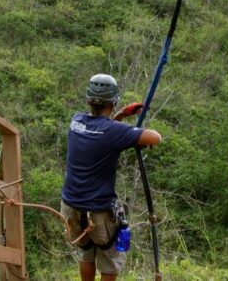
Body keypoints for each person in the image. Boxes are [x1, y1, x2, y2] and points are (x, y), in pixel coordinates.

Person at [61, 74, 162, 281]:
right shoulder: (113, 132)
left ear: (89, 100)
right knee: (109, 261)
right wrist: (133, 131)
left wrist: (122, 115)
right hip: (98, 211)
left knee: (86, 252)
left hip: (71, 206)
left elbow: (103, 131)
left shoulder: (76, 121)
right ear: (113, 101)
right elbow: (155, 137)